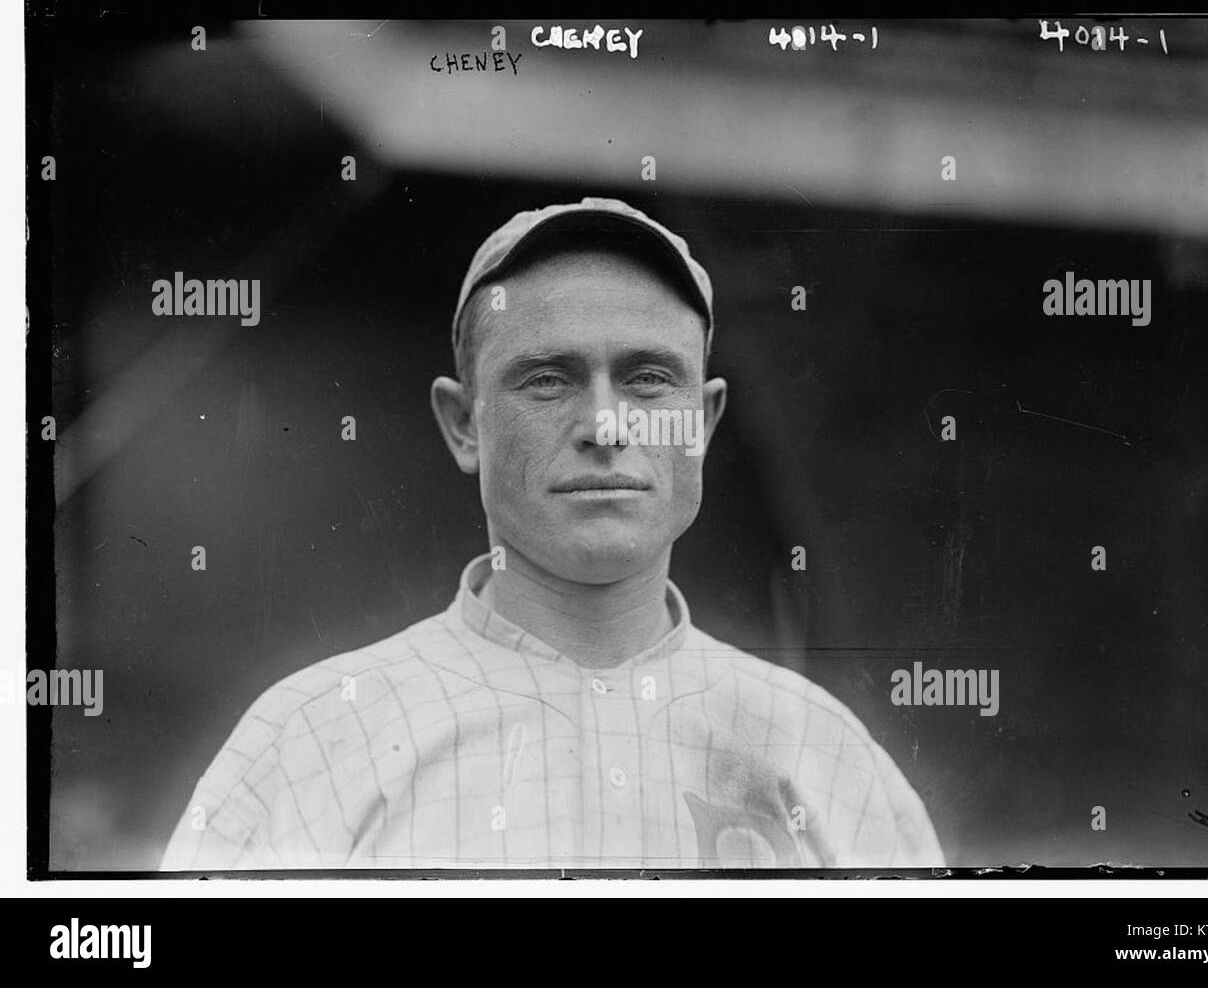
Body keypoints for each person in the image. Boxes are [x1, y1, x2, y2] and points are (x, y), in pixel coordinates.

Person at [161, 197, 943, 870]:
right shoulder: (314, 737)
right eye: (546, 380)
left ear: (700, 423)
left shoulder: (826, 753)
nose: (605, 424)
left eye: (647, 379)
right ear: (465, 425)